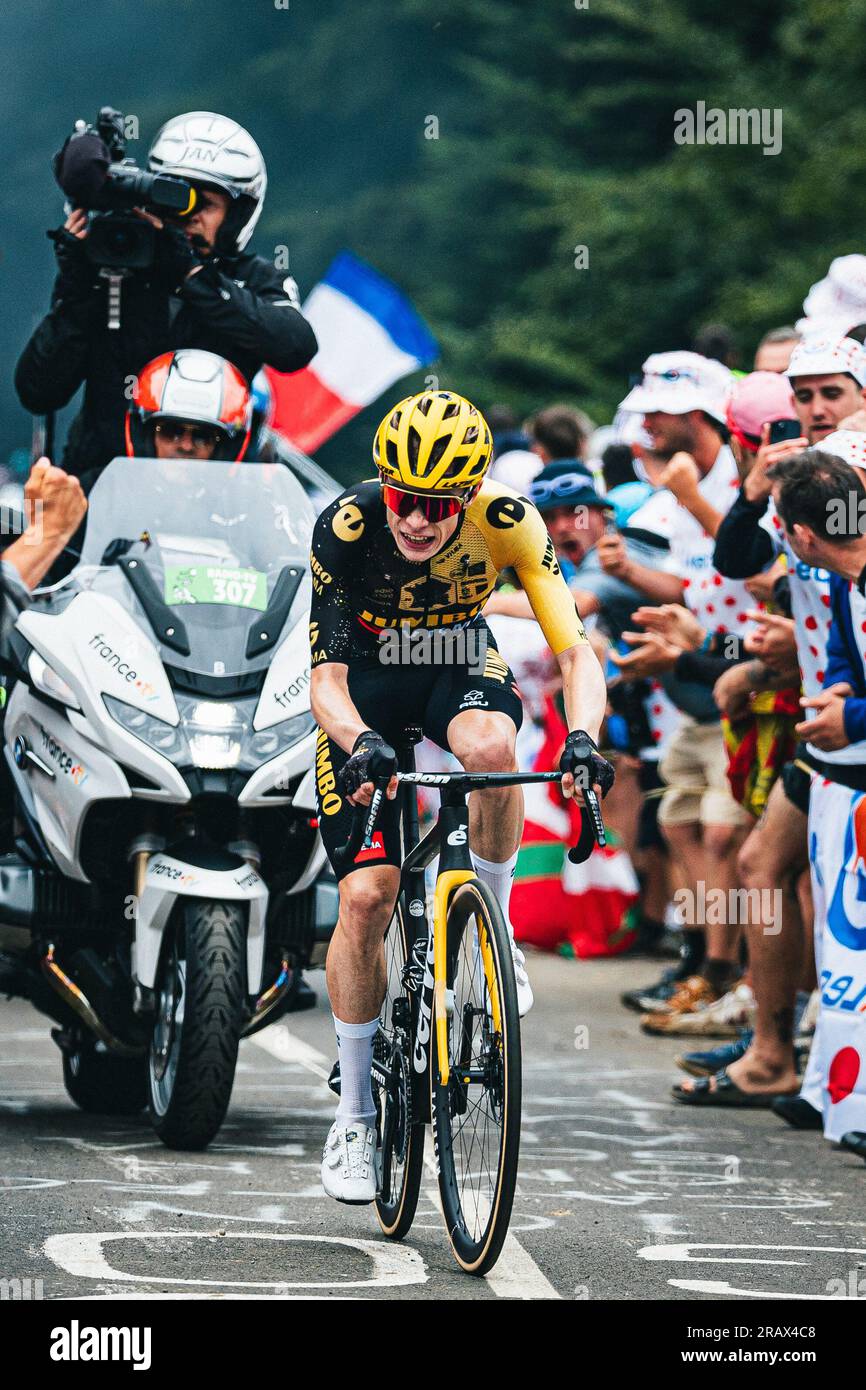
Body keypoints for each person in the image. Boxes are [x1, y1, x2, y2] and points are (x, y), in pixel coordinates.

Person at [308, 389, 612, 1203]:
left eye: (442, 507)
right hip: (364, 688)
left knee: (495, 748)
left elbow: (576, 652)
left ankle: (495, 928)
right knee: (368, 897)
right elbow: (326, 683)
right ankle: (358, 1118)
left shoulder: (511, 519)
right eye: (406, 500)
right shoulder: (346, 526)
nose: (419, 522)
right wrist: (360, 744)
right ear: (384, 482)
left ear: (472, 493)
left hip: (452, 658)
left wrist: (584, 736)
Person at [14, 111, 317, 489]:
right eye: (176, 199)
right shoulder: (115, 267)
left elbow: (296, 346)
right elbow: (38, 390)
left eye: (203, 204)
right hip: (100, 497)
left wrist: (192, 276)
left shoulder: (255, 279)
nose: (187, 217)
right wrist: (78, 288)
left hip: (219, 502)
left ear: (238, 215)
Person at [761, 447, 866, 1152]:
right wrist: (835, 695)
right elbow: (837, 656)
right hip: (841, 779)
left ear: (801, 537)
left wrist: (850, 719)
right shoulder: (838, 581)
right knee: (846, 949)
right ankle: (841, 1094)